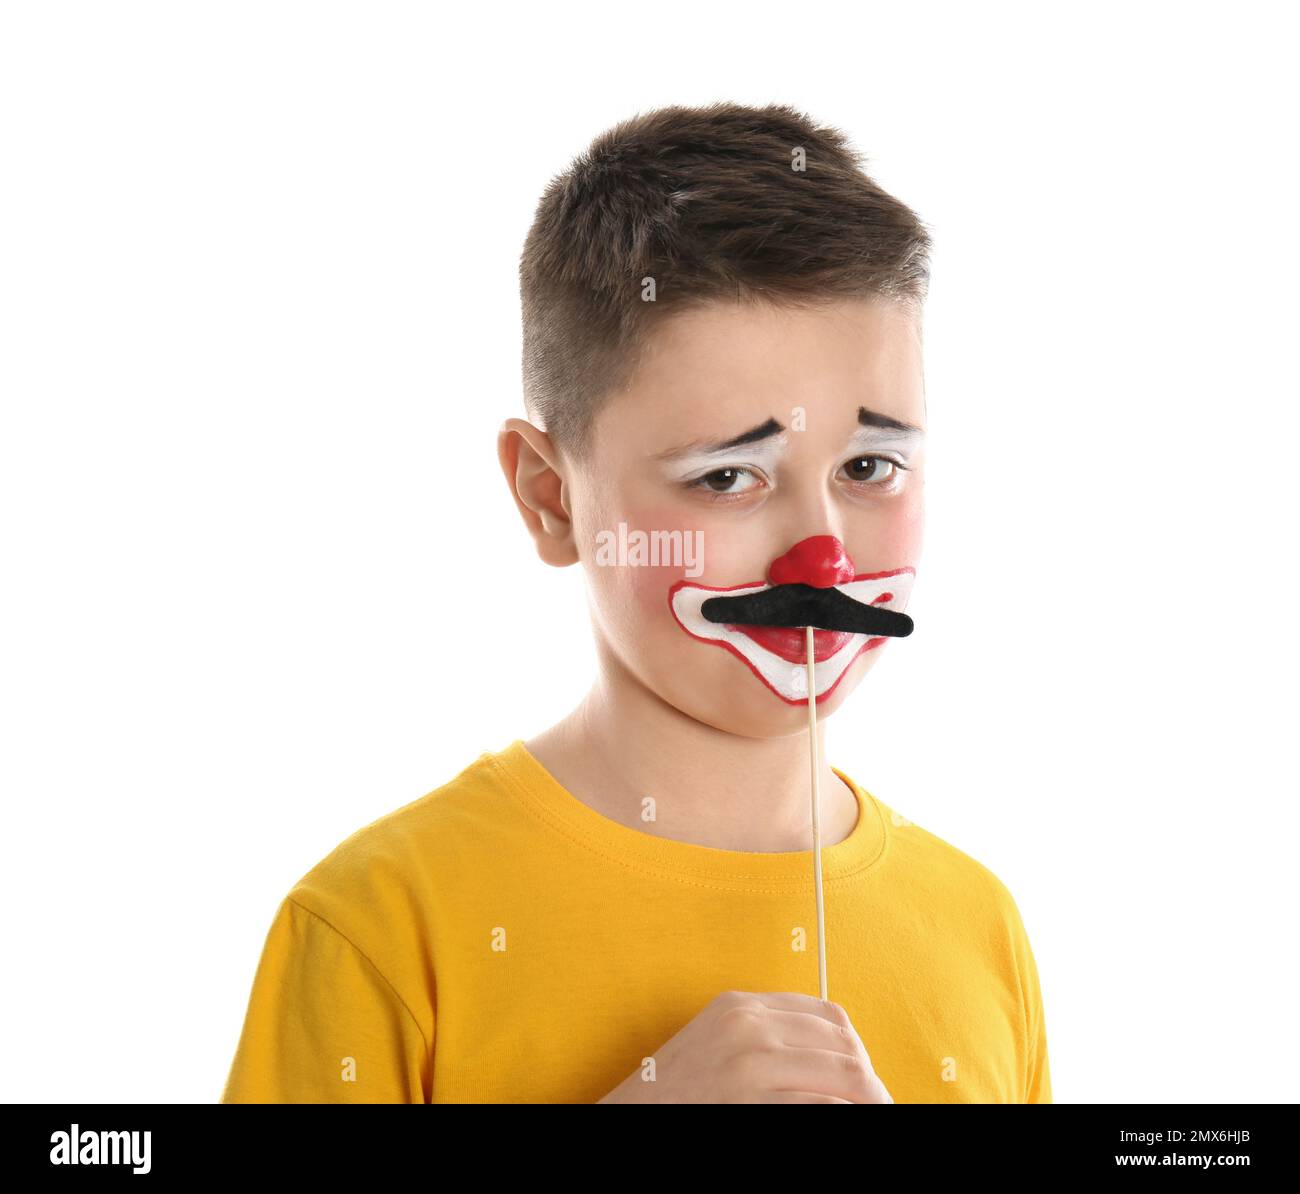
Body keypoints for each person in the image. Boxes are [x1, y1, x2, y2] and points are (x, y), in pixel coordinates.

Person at [220, 101, 1051, 1104]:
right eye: (728, 476)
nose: (821, 557)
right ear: (549, 495)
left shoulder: (977, 927)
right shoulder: (383, 927)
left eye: (871, 464)